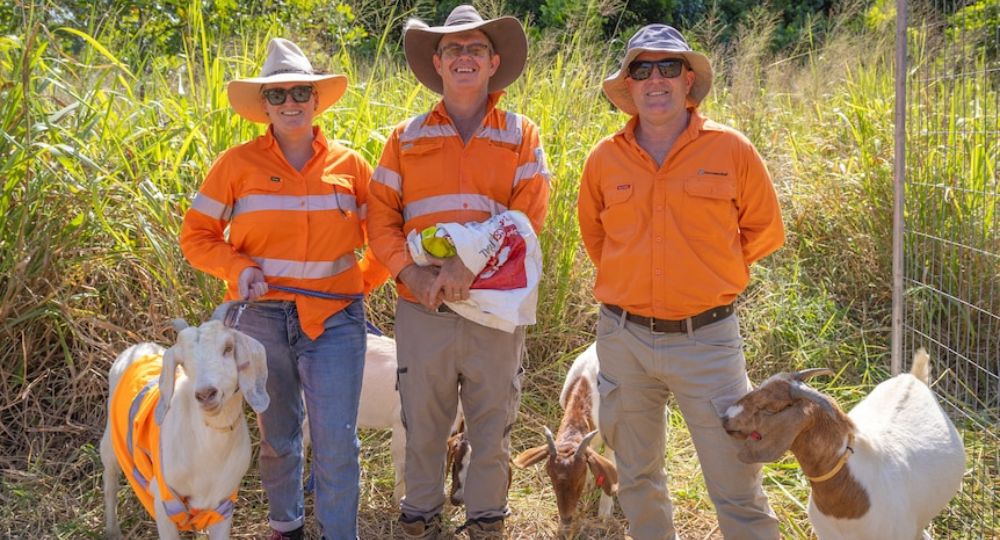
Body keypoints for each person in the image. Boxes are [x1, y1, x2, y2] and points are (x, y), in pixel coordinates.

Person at [577, 24, 785, 540]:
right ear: (629, 85)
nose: (656, 79)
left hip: (707, 342)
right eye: (641, 69)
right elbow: (596, 238)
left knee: (736, 483)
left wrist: (711, 273)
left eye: (668, 67)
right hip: (623, 340)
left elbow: (764, 230)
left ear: (687, 80)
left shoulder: (731, 150)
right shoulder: (603, 159)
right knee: (637, 478)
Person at [179, 37, 388, 540]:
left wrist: (356, 286)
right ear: (264, 105)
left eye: (300, 92)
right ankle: (286, 527)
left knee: (337, 443)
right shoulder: (236, 165)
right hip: (260, 321)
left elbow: (383, 238)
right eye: (278, 94)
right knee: (278, 437)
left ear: (316, 100)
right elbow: (196, 236)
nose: (290, 102)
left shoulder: (350, 165)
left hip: (335, 323)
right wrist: (238, 267)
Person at [367, 5, 550, 539]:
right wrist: (413, 274)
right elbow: (380, 218)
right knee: (422, 424)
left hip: (494, 309)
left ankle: (486, 521)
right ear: (437, 62)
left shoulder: (520, 133)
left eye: (475, 48)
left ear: (493, 62)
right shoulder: (405, 137)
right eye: (453, 49)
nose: (464, 57)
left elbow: (529, 213)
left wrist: (466, 265)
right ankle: (420, 519)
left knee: (491, 427)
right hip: (424, 307)